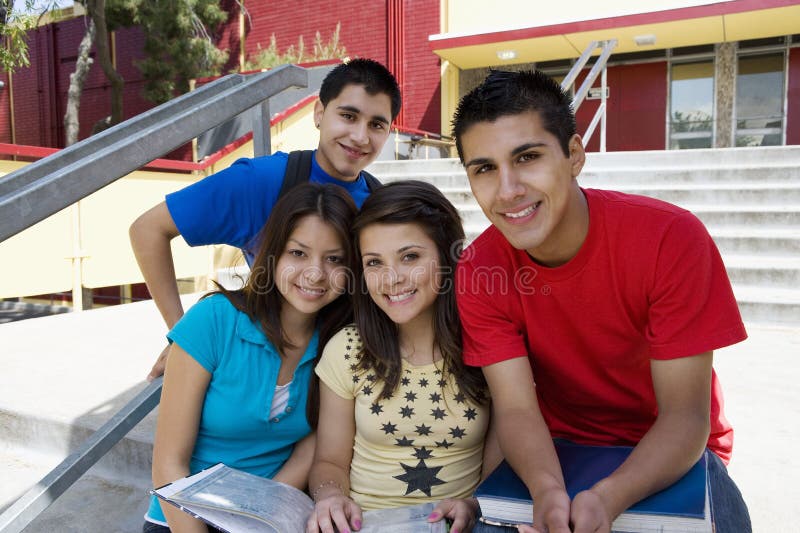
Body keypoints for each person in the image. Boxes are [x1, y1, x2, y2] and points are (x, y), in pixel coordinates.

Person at [451, 70, 751, 533]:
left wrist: (606, 500)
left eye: (527, 157)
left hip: (672, 454)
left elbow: (685, 417)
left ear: (573, 155)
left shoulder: (669, 239)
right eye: (484, 168)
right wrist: (549, 491)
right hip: (556, 451)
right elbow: (516, 409)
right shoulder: (478, 268)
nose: (507, 190)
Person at [130, 58, 401, 380]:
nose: (359, 136)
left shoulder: (378, 202)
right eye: (348, 116)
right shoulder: (262, 180)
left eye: (376, 124)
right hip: (268, 368)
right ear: (319, 113)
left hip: (343, 371)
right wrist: (184, 335)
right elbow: (148, 229)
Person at [143, 183, 357, 532]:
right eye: (298, 253)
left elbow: (312, 447)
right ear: (272, 255)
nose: (316, 273)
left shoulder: (342, 341)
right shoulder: (213, 320)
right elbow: (169, 465)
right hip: (180, 518)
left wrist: (259, 518)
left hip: (270, 516)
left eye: (334, 259)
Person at [305, 181, 501, 533]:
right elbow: (329, 461)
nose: (392, 279)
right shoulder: (348, 348)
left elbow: (498, 471)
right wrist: (330, 498)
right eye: (375, 262)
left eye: (410, 257)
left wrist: (474, 504)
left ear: (446, 256)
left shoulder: (487, 342)